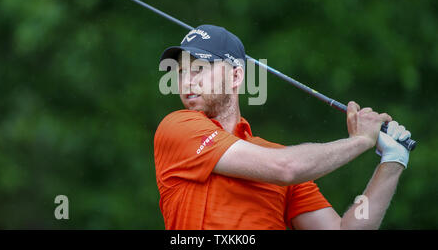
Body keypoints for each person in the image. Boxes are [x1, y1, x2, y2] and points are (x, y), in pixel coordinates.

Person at [154, 24, 412, 230]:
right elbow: (285, 168)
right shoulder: (178, 128)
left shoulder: (275, 154)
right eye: (180, 72)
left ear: (235, 76)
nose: (187, 81)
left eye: (199, 69)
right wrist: (361, 141)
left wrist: (393, 160)